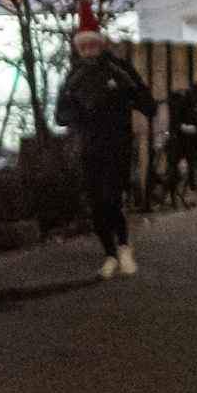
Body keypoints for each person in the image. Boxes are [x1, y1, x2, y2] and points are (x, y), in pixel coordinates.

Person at [54, 14, 157, 278]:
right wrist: (74, 115)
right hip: (90, 147)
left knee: (112, 198)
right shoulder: (75, 77)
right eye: (82, 47)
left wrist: (142, 105)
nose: (87, 51)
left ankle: (123, 246)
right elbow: (61, 113)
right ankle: (110, 253)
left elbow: (142, 97)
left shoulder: (117, 69)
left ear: (99, 44)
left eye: (91, 45)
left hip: (118, 144)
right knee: (96, 203)